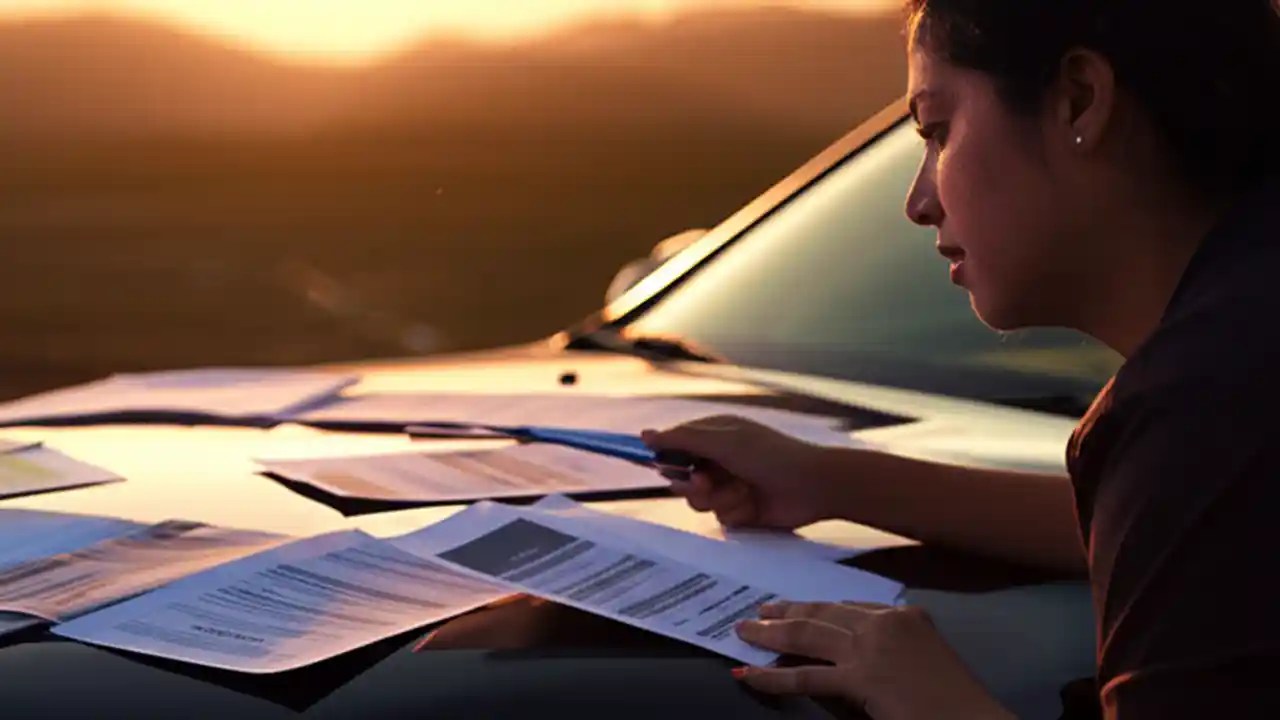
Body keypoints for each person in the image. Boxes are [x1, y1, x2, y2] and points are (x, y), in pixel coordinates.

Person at [643, 2, 1280, 718]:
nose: (919, 201)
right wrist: (825, 477)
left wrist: (932, 700)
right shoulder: (1230, 373)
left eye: (937, 131)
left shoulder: (1213, 409)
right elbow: (1152, 528)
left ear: (1079, 99)